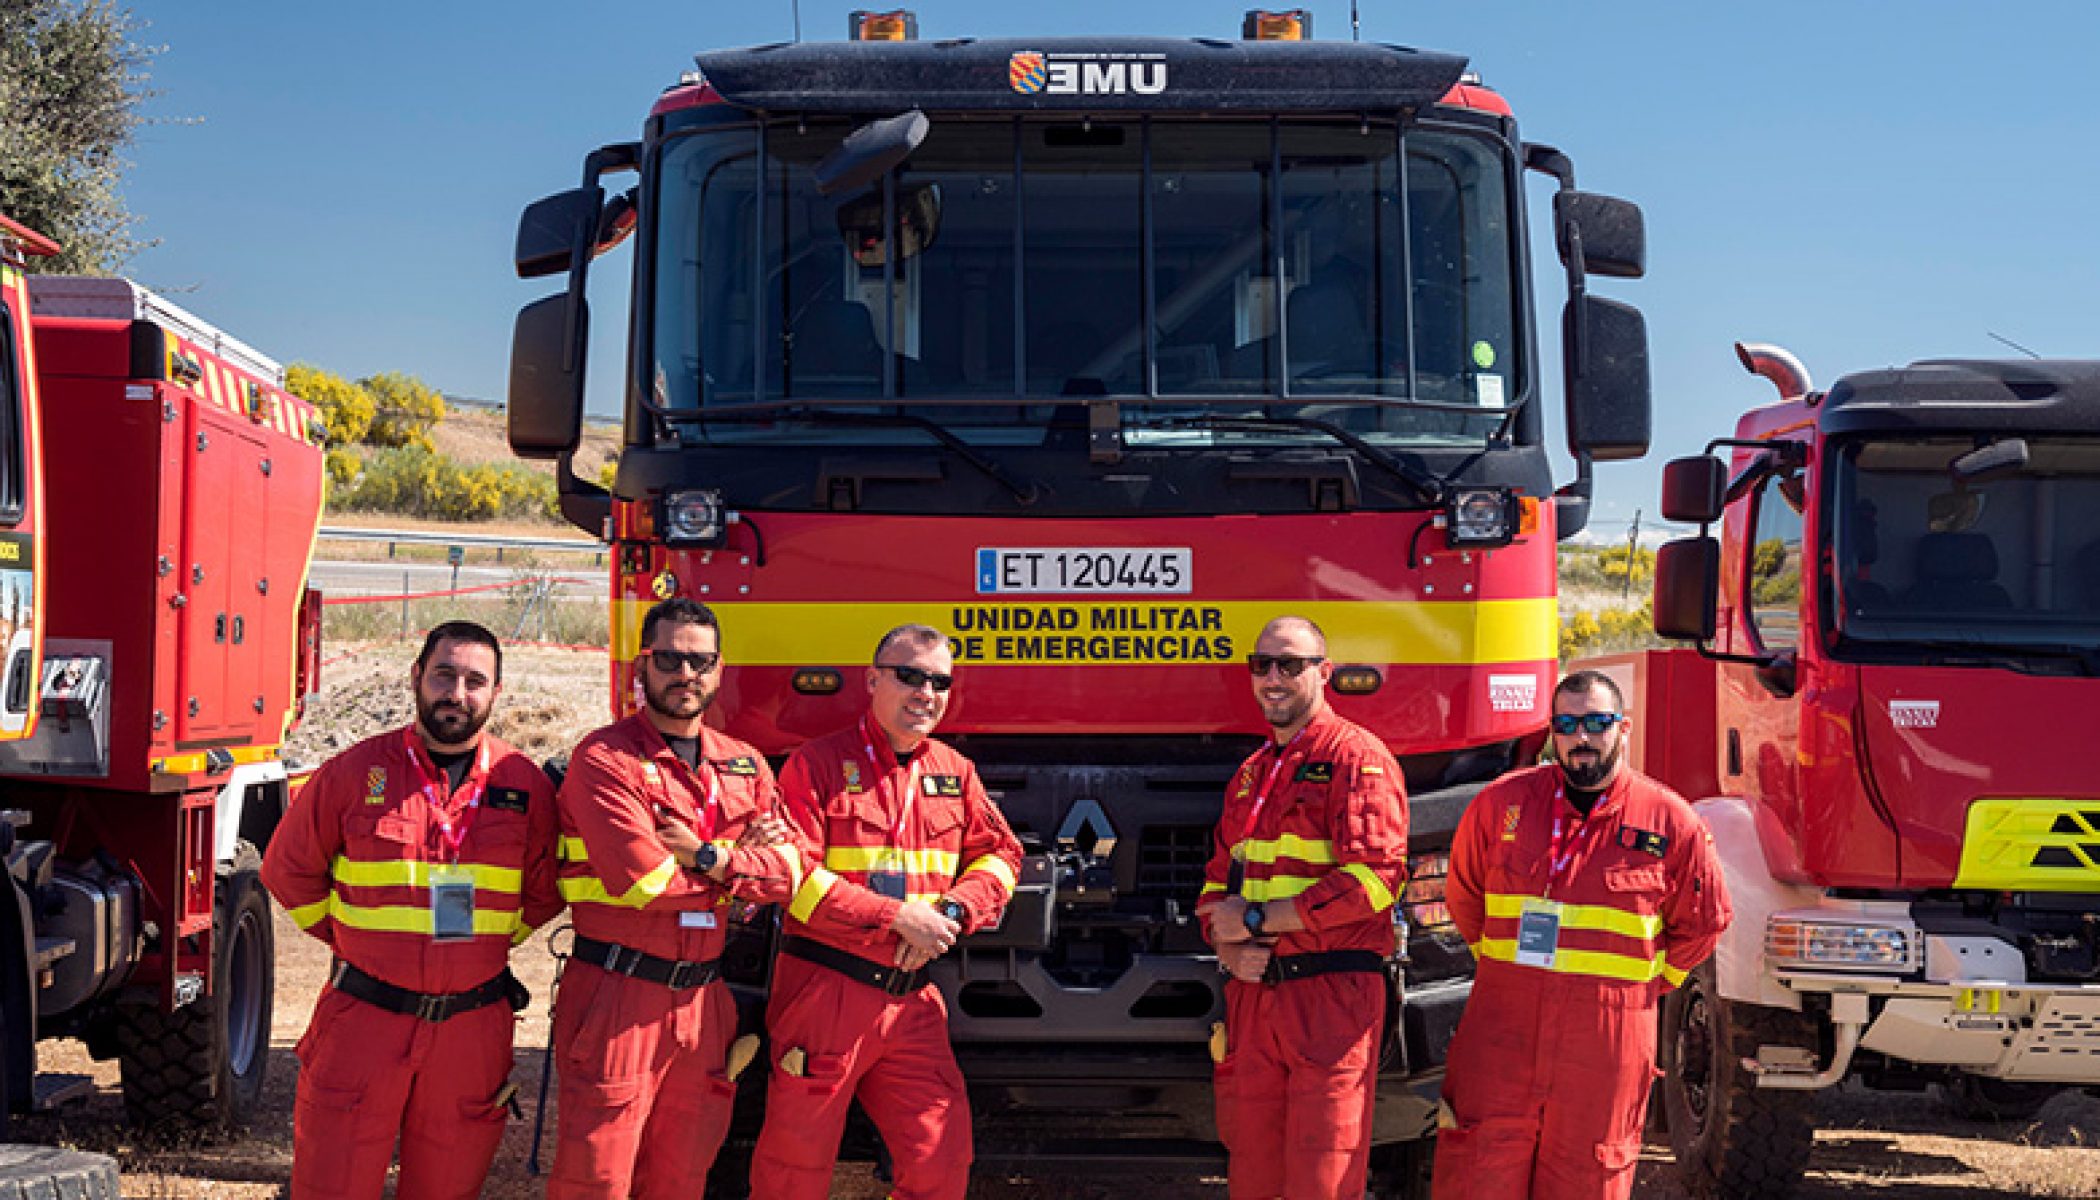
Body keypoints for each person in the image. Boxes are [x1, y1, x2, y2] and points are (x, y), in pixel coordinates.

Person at [261, 621, 560, 1200]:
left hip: (472, 1029)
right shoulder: (353, 772)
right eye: (444, 674)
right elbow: (287, 871)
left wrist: (485, 944)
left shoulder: (523, 784)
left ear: (496, 694)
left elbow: (545, 891)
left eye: (476, 680)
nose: (457, 692)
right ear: (417, 677)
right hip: (364, 1017)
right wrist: (355, 936)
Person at [1432, 669, 1733, 1200]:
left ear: (1624, 728)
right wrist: (1507, 968)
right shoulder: (1501, 806)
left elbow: (1704, 920)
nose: (1582, 738)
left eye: (1597, 722)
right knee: (1479, 1171)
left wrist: (1645, 985)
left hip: (1605, 1048)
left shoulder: (1670, 821)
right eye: (1567, 724)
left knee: (1589, 1178)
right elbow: (1463, 895)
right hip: (1503, 1036)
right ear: (1552, 732)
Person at [750, 624, 1023, 1200]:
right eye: (910, 676)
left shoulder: (956, 771)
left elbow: (1002, 855)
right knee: (792, 1172)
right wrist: (898, 917)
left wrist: (952, 910)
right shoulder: (814, 765)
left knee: (941, 1162)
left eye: (939, 681)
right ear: (872, 680)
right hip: (827, 991)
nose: (926, 691)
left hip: (912, 999)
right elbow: (794, 880)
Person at [548, 597, 801, 1198]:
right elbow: (644, 882)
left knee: (683, 1176)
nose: (685, 674)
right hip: (619, 994)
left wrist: (709, 856)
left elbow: (791, 872)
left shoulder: (745, 763)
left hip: (704, 1001)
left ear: (719, 671)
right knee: (598, 1178)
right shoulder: (605, 759)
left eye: (700, 661)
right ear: (642, 665)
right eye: (669, 658)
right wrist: (745, 867)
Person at [1197, 615, 1410, 1199]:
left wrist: (1260, 922)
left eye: (1290, 664)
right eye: (1261, 665)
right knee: (1254, 1178)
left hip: (1330, 999)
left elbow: (1375, 880)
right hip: (1255, 998)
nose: (1273, 677)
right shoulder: (1251, 775)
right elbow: (1217, 885)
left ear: (1324, 672)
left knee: (1323, 1180)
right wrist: (1227, 947)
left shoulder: (1357, 759)